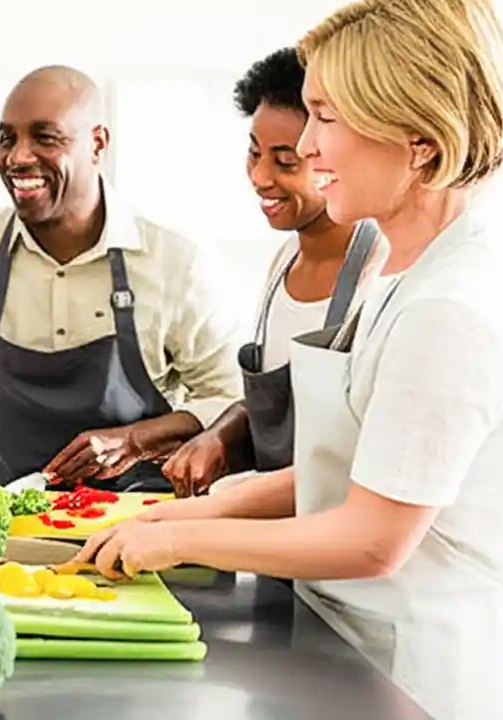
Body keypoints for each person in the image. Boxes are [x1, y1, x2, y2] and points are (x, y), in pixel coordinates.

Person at [76, 1, 503, 717]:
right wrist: (197, 511)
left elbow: (373, 540)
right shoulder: (402, 271)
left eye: (326, 118)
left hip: (416, 676)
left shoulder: (448, 307)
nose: (307, 148)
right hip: (350, 643)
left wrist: (187, 538)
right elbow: (366, 469)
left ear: (420, 140)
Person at [0, 65, 244, 492]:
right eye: (7, 138)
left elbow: (231, 401)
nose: (18, 157)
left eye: (45, 138)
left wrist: (134, 441)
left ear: (98, 143)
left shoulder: (176, 262)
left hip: (145, 525)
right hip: (14, 525)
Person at [161, 47, 389, 497]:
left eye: (286, 161)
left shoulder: (381, 269)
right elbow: (278, 409)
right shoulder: (283, 260)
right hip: (277, 540)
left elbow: (365, 454)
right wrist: (219, 435)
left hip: (342, 541)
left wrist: (221, 509)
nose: (261, 177)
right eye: (254, 153)